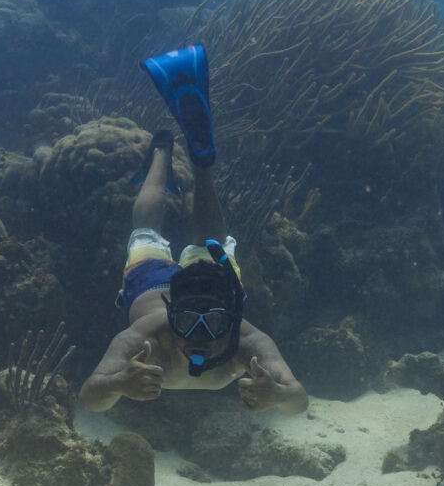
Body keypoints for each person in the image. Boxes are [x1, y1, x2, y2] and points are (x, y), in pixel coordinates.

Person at [78, 45, 308, 415]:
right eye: (186, 322)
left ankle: (165, 150)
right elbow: (90, 397)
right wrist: (116, 383)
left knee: (149, 232)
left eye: (213, 323)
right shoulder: (234, 339)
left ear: (230, 317)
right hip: (188, 284)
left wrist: (279, 395)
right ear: (171, 314)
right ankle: (193, 161)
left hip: (157, 286)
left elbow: (297, 399)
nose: (198, 336)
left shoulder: (157, 338)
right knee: (161, 236)